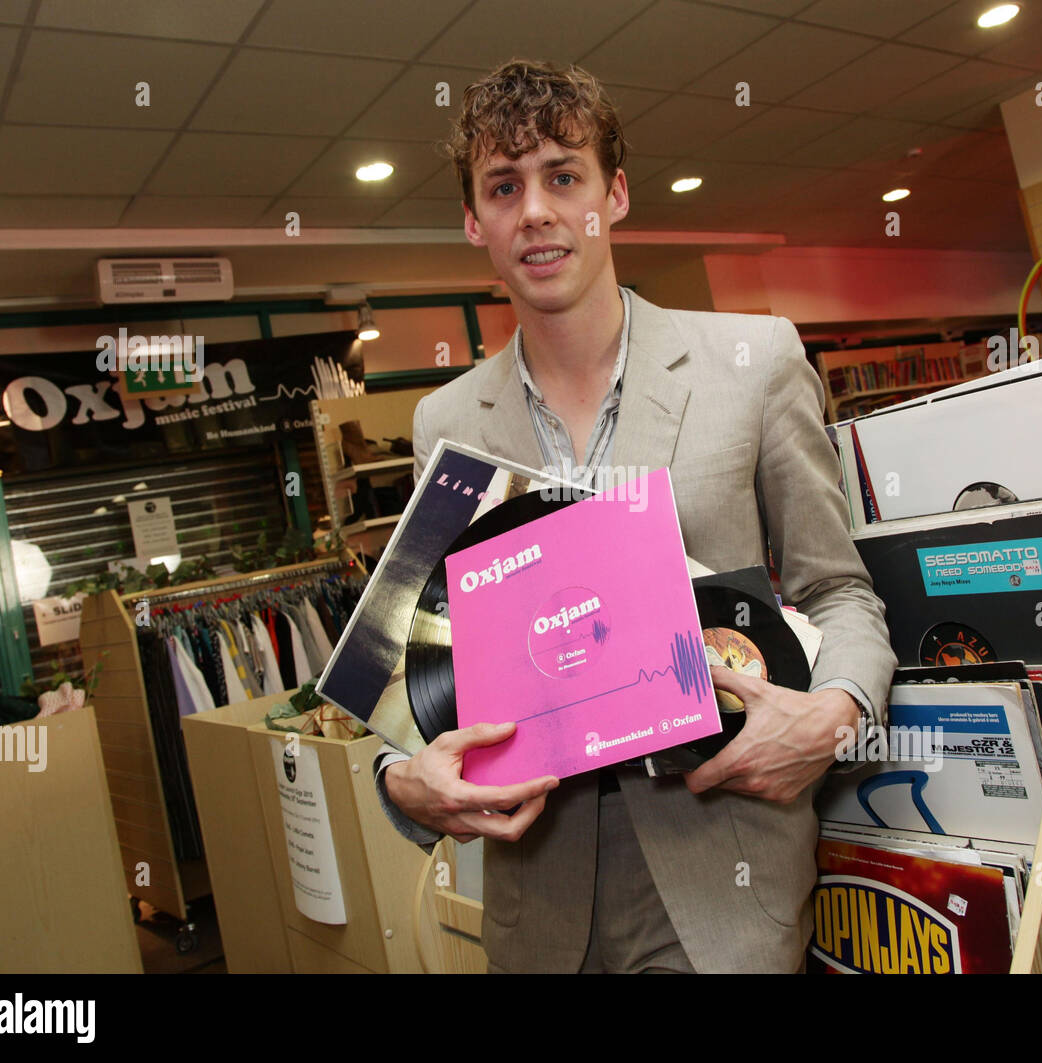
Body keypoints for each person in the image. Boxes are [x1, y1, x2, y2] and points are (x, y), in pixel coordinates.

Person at [374, 58, 897, 974]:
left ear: (612, 195)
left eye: (561, 176)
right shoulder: (444, 425)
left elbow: (841, 591)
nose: (534, 209)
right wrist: (396, 780)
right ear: (474, 222)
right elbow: (411, 668)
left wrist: (836, 712)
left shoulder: (754, 363)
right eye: (504, 186)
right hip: (537, 911)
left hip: (721, 884)